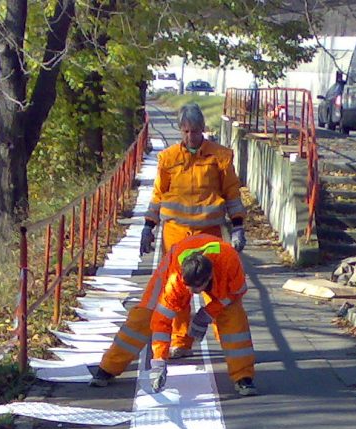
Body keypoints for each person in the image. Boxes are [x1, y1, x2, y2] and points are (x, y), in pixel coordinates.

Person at [90, 233, 257, 396]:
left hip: (222, 275)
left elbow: (238, 290)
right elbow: (161, 321)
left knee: (234, 319)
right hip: (172, 265)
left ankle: (243, 377)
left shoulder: (229, 261)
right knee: (145, 315)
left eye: (196, 289)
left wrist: (207, 312)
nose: (191, 293)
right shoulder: (176, 279)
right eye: (188, 287)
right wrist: (159, 362)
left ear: (209, 278)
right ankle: (108, 368)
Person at [141, 103, 246, 359]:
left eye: (196, 131)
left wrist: (238, 226)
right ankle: (180, 341)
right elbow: (158, 196)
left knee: (217, 287)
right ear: (180, 130)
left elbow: (232, 192)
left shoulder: (219, 157)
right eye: (186, 131)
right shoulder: (168, 159)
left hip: (208, 232)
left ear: (203, 130)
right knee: (178, 289)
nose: (191, 137)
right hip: (175, 232)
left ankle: (229, 344)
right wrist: (148, 226)